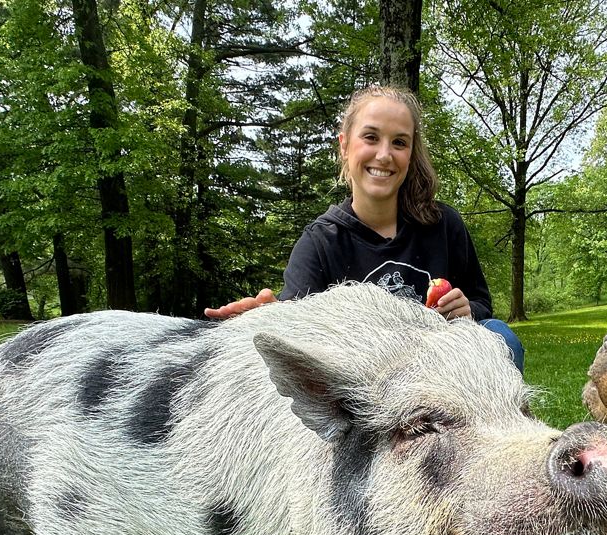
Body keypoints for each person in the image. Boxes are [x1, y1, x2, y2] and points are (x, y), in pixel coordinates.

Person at [204, 85, 524, 373]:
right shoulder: (321, 242)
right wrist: (270, 315)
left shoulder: (444, 225)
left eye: (399, 142)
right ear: (344, 145)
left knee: (501, 335)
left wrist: (467, 308)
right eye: (370, 137)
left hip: (443, 373)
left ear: (411, 155)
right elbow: (299, 328)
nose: (384, 155)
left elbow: (481, 303)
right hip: (371, 387)